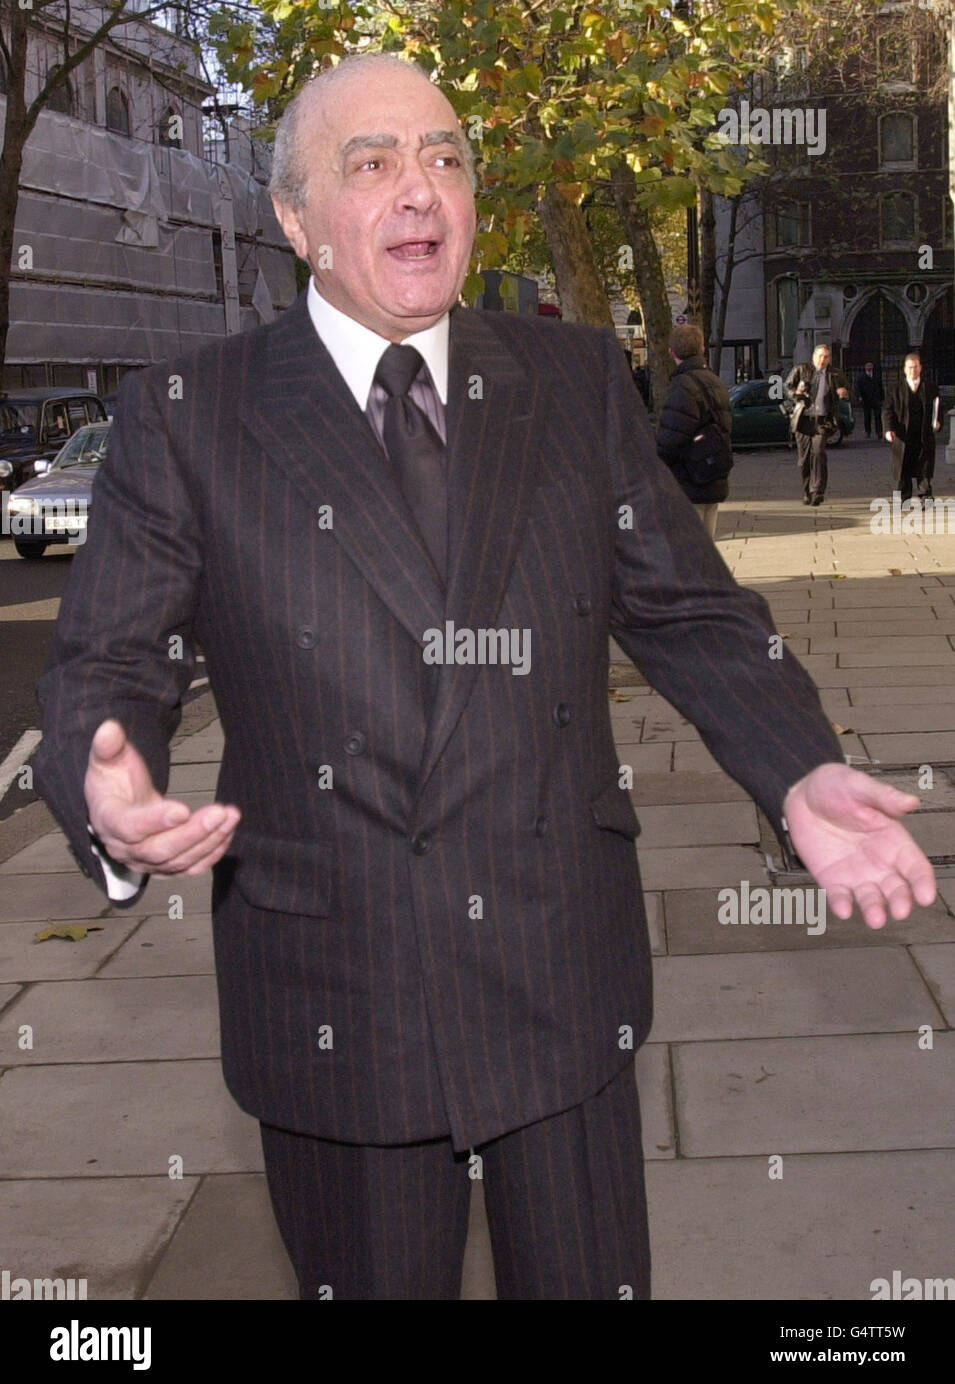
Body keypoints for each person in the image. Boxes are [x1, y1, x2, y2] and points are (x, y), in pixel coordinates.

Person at [33, 54, 935, 1302]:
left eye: (446, 157)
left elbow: (693, 610)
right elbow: (108, 661)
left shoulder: (567, 384)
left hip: (559, 976)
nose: (421, 189)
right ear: (296, 220)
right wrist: (104, 779)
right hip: (336, 997)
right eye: (374, 162)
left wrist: (796, 766)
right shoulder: (193, 413)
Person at [655, 323, 732, 539]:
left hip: (688, 480)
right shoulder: (716, 382)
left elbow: (670, 440)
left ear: (672, 352)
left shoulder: (682, 387)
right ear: (702, 349)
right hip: (713, 473)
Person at [784, 344, 849, 506]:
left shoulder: (835, 374)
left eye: (826, 357)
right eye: (820, 356)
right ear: (813, 356)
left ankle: (818, 491)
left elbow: (848, 391)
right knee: (804, 460)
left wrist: (844, 393)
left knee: (819, 453)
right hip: (804, 419)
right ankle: (806, 491)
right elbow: (787, 387)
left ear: (830, 359)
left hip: (823, 421)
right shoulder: (801, 369)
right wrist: (796, 394)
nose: (822, 360)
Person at [883, 352, 942, 502]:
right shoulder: (895, 389)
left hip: (924, 435)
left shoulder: (930, 387)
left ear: (920, 368)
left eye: (915, 367)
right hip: (903, 435)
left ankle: (926, 497)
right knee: (903, 468)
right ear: (904, 369)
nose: (912, 370)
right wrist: (889, 429)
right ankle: (903, 499)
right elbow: (888, 410)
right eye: (909, 367)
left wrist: (938, 422)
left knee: (924, 468)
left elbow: (938, 408)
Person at [855, 361, 884, 439]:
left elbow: (881, 387)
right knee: (867, 417)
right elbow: (858, 388)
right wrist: (859, 396)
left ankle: (879, 432)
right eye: (867, 366)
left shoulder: (877, 376)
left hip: (876, 399)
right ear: (865, 367)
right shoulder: (861, 377)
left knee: (878, 417)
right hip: (866, 399)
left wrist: (882, 398)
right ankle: (867, 431)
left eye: (870, 366)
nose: (869, 367)